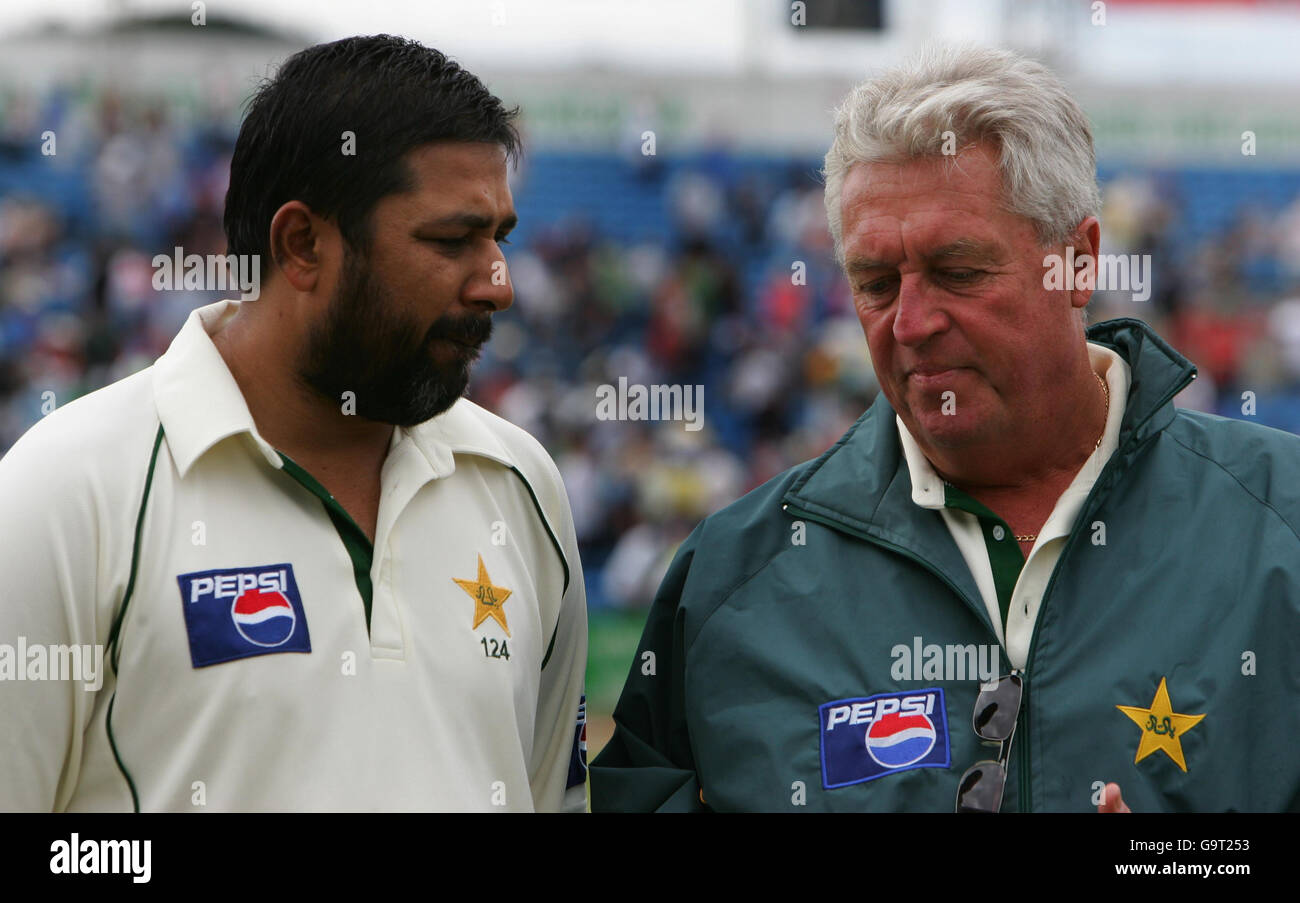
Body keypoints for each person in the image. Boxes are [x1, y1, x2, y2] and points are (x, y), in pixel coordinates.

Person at [590, 44, 1300, 812]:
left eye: (959, 273)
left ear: (1078, 261)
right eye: (875, 283)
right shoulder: (729, 578)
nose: (912, 323)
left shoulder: (1281, 522)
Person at [0, 35, 587, 812]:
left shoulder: (522, 486)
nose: (499, 285)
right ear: (302, 244)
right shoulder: (62, 493)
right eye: (452, 241)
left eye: (499, 239)